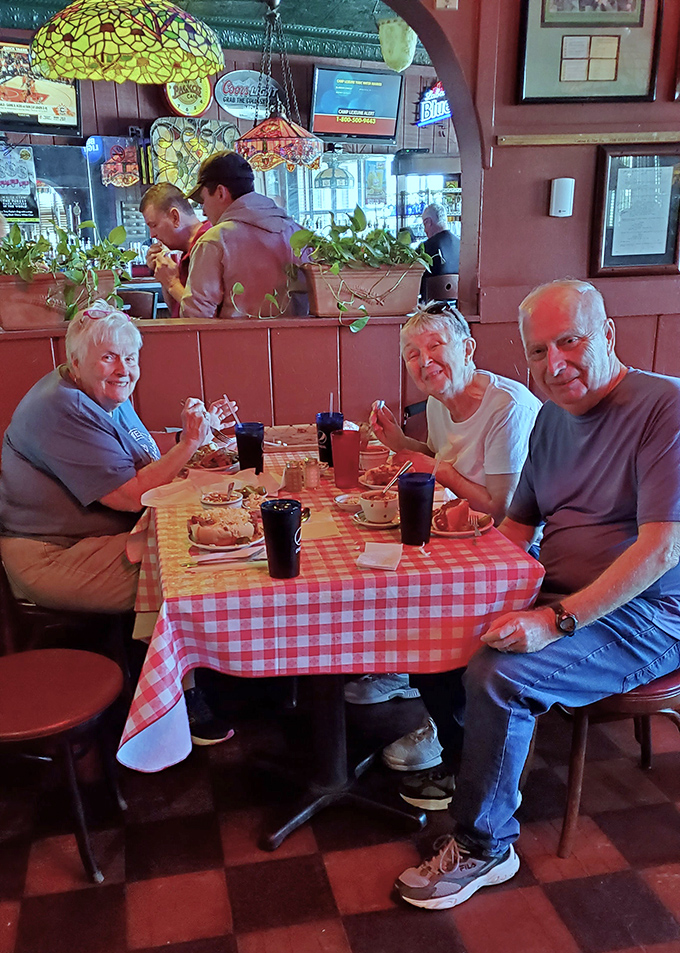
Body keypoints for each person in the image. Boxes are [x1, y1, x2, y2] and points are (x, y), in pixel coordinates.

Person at [394, 278, 680, 910]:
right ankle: (478, 764)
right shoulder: (552, 418)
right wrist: (450, 580)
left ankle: (483, 844)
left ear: (607, 335)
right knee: (431, 620)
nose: (554, 365)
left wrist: (556, 620)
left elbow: (661, 549)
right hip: (558, 592)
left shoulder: (665, 407)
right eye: (537, 351)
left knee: (500, 674)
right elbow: (515, 528)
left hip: (651, 613)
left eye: (570, 342)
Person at [0, 299, 236, 744]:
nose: (122, 368)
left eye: (130, 357)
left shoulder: (101, 390)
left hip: (95, 538)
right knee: (176, 569)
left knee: (206, 540)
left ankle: (200, 671)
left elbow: (142, 462)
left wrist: (203, 434)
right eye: (107, 356)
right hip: (50, 555)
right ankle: (172, 703)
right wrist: (188, 446)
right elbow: (132, 496)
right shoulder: (61, 407)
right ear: (75, 362)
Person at [345, 303, 541, 758]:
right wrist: (400, 444)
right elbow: (441, 458)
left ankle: (451, 735)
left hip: (510, 551)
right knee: (377, 560)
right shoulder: (439, 402)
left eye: (435, 346)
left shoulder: (506, 408)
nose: (424, 360)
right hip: (455, 536)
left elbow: (501, 508)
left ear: (468, 348)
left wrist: (437, 471)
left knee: (413, 587)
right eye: (412, 353)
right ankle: (405, 667)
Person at [182, 151, 305, 319]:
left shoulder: (215, 241)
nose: (203, 211)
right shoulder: (298, 233)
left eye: (203, 200)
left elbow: (196, 317)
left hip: (236, 344)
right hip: (302, 343)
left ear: (220, 192)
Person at [139, 183, 212, 317]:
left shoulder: (208, 245)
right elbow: (178, 312)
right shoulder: (186, 251)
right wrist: (163, 277)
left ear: (175, 217)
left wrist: (172, 283)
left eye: (154, 225)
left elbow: (203, 316)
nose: (152, 235)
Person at [419, 203, 460, 300]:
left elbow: (415, 284)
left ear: (428, 222)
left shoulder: (425, 248)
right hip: (458, 308)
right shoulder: (461, 245)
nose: (425, 230)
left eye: (424, 225)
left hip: (430, 307)